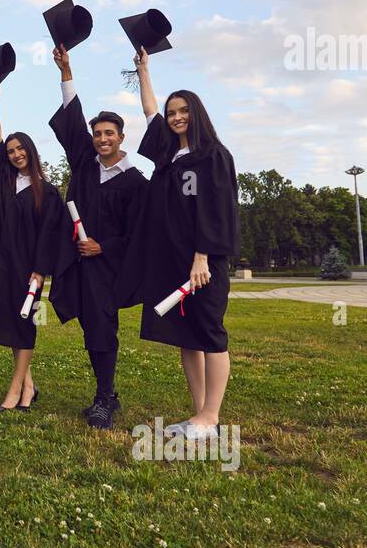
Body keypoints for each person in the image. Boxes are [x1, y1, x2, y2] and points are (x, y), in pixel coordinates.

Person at [119, 47, 239, 441]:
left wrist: (202, 255)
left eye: (183, 111)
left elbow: (214, 207)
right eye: (172, 113)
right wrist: (144, 72)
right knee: (185, 337)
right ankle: (199, 415)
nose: (176, 117)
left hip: (201, 263)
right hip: (173, 261)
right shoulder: (170, 158)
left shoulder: (213, 156)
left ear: (197, 113)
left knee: (209, 332)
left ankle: (212, 415)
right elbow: (149, 114)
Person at [47, 44, 148, 430]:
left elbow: (138, 232)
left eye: (109, 133)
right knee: (92, 329)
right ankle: (107, 392)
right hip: (81, 264)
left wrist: (104, 245)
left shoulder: (135, 182)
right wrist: (66, 71)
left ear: (121, 137)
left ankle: (105, 396)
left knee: (103, 327)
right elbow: (72, 122)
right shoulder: (86, 167)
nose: (102, 139)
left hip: (111, 267)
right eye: (98, 134)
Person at [0, 81, 66, 410]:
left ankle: (16, 391)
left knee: (25, 325)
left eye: (20, 149)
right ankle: (29, 384)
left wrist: (40, 272)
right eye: (11, 151)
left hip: (28, 270)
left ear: (31, 150)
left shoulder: (48, 191)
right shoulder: (4, 181)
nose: (15, 154)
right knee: (11, 322)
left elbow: (50, 234)